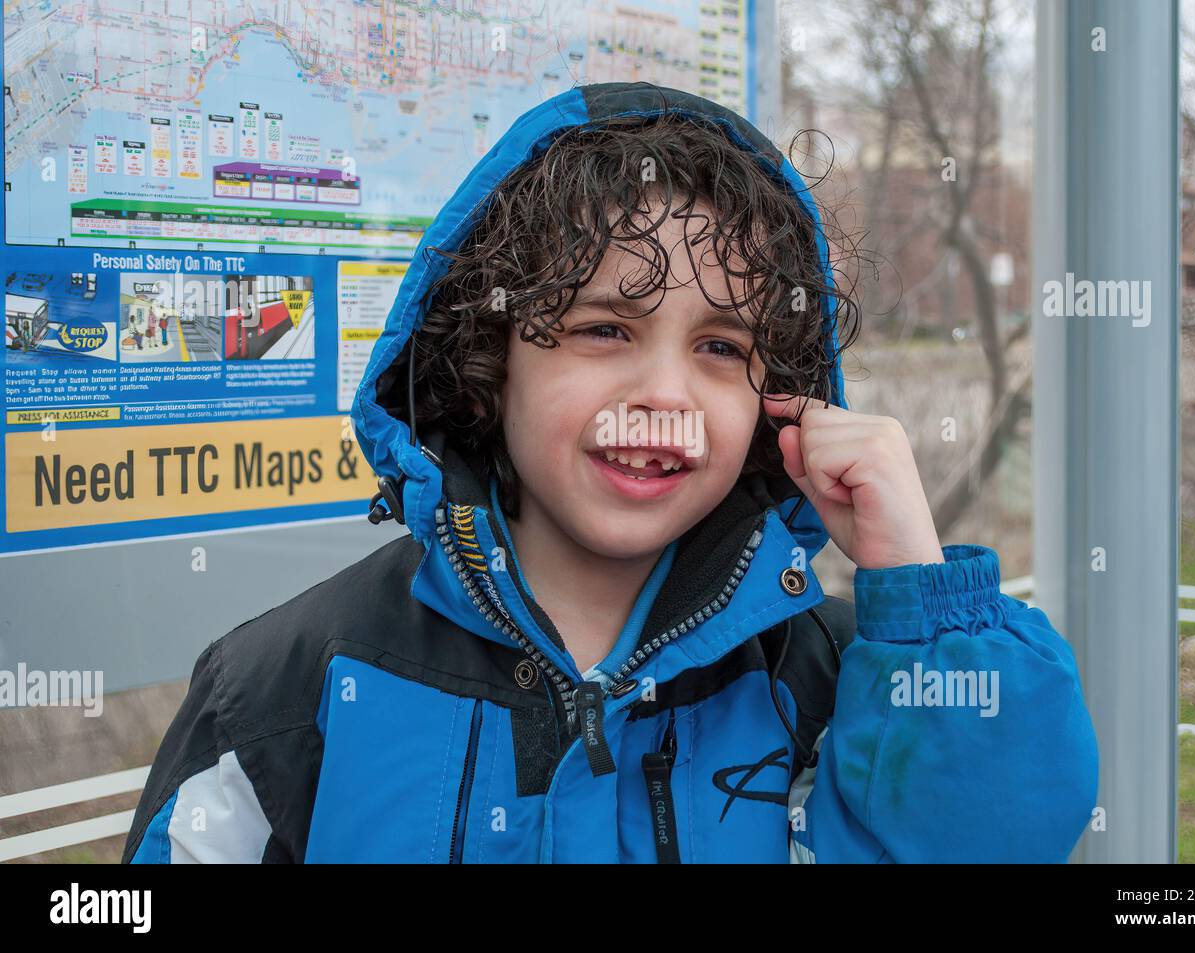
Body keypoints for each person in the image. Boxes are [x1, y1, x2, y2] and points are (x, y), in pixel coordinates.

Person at [122, 83, 1098, 864]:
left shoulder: (828, 681)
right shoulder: (292, 677)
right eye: (603, 329)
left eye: (721, 347)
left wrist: (919, 594)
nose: (664, 391)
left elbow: (988, 828)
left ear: (782, 399)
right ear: (488, 362)